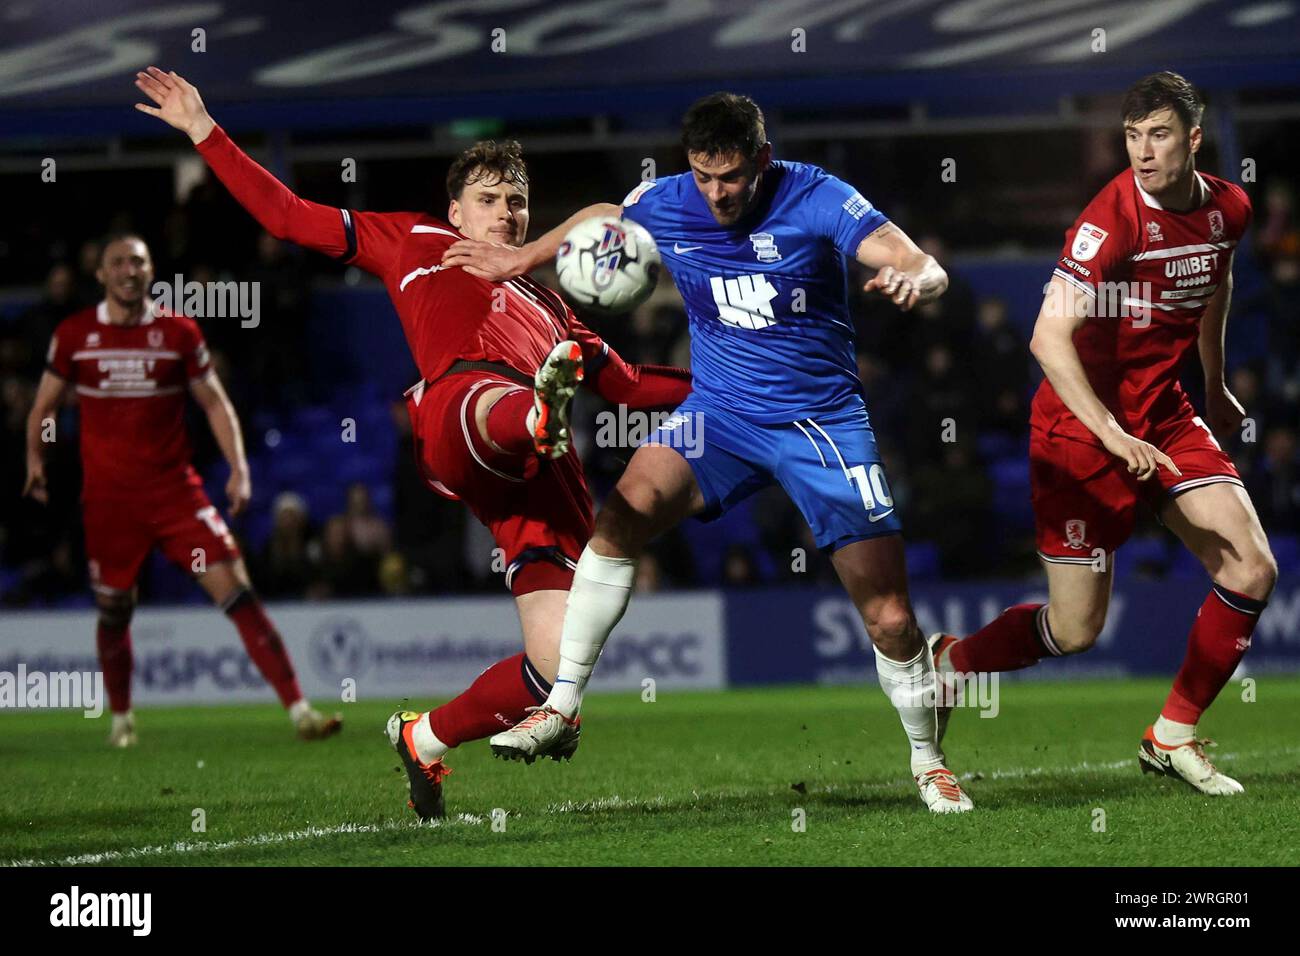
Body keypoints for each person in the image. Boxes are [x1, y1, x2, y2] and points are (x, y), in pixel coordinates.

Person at [133, 66, 692, 819]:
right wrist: (205, 128)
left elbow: (628, 386)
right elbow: (289, 215)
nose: (506, 215)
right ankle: (534, 410)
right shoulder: (412, 238)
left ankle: (423, 738)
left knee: (557, 666)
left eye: (518, 203)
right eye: (489, 201)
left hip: (538, 475)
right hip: (463, 413)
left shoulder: (554, 305)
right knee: (482, 399)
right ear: (455, 209)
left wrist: (745, 384)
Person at [449, 92, 973, 813]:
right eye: (703, 176)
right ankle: (563, 702)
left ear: (761, 159)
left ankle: (927, 758)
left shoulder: (818, 196)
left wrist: (916, 278)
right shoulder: (668, 202)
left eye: (730, 177)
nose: (717, 193)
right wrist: (523, 259)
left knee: (887, 617)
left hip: (819, 423)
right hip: (719, 415)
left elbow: (918, 261)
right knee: (621, 517)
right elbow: (603, 216)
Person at [931, 72, 1276, 796]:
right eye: (1131, 136)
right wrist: (1112, 434)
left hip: (1166, 416)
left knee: (1251, 568)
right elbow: (1047, 338)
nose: (1143, 152)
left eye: (1157, 135)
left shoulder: (1228, 209)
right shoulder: (1111, 222)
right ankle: (952, 663)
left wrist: (1213, 386)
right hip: (1079, 434)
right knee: (1075, 630)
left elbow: (1215, 286)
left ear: (1192, 136)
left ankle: (1172, 734)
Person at [23, 234, 342, 746]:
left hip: (177, 499)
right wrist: (37, 455)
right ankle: (123, 719)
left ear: (151, 272)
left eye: (140, 262)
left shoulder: (177, 331)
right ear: (102, 274)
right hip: (110, 506)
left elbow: (215, 403)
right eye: (120, 263)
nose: (130, 270)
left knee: (237, 592)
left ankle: (301, 711)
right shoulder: (75, 334)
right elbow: (44, 407)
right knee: (114, 610)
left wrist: (239, 467)